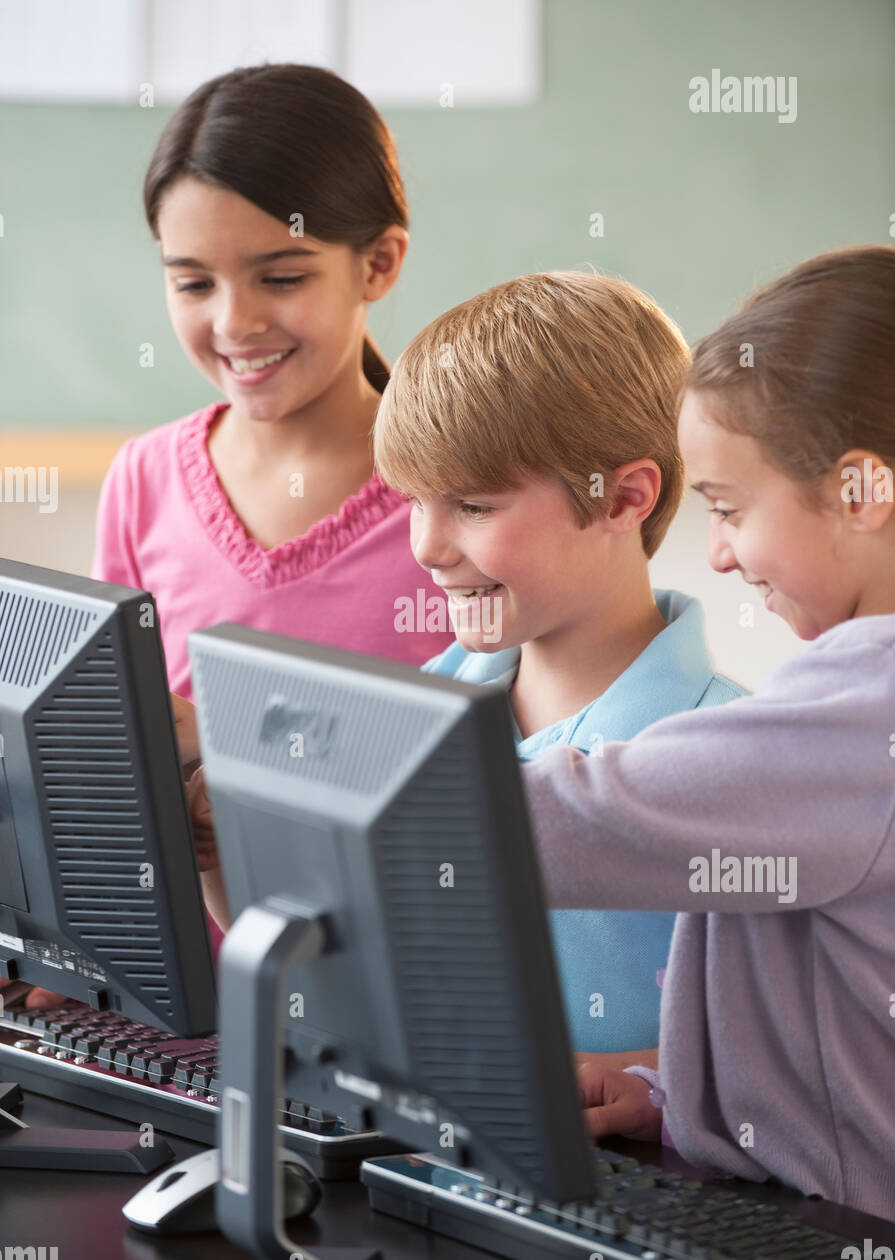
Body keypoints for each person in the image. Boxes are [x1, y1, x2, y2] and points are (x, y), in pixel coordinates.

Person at [194, 269, 747, 1064]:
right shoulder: (409, 712)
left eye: (474, 506)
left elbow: (785, 1048)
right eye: (414, 501)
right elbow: (333, 970)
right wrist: (218, 847)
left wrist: (646, 1078)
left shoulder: (729, 758)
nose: (426, 547)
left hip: (639, 1182)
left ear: (624, 499)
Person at [8, 64, 452, 1010]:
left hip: (380, 1029)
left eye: (280, 277)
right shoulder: (146, 477)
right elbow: (108, 776)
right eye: (191, 282)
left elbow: (495, 789)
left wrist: (224, 735)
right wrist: (77, 953)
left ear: (377, 263)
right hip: (174, 1019)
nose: (234, 322)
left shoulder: (455, 502)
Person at [519, 247, 895, 1221]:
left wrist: (280, 769)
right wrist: (673, 1087)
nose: (719, 552)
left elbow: (579, 819)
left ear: (860, 492)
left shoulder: (866, 700)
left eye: (728, 508)